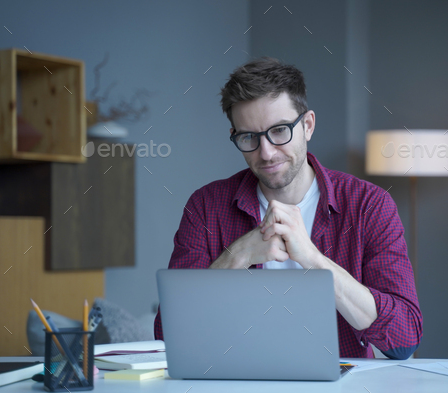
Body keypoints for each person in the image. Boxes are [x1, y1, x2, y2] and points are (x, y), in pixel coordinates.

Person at [154, 57, 422, 359]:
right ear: (234, 136)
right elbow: (167, 335)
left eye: (279, 130)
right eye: (248, 138)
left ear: (307, 125)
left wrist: (313, 260)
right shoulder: (205, 207)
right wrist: (237, 256)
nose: (266, 152)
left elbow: (404, 339)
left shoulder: (368, 206)